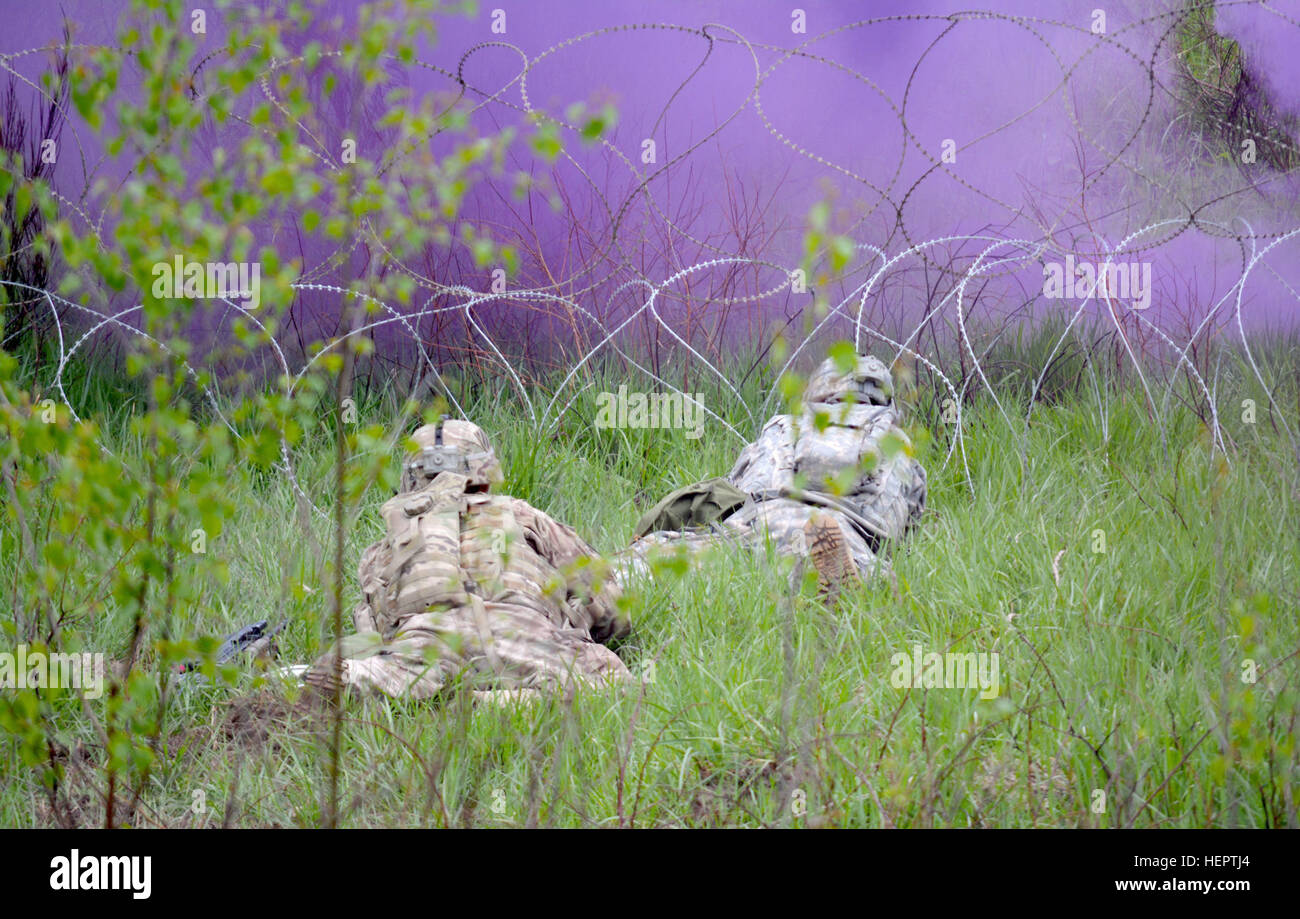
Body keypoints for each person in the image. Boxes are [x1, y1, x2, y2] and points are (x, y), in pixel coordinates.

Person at [304, 419, 632, 702]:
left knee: (404, 666)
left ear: (409, 477)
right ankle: (499, 703)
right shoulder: (520, 515)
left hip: (428, 636)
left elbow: (378, 622)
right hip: (519, 628)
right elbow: (613, 612)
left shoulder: (389, 543)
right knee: (608, 680)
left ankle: (369, 677)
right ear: (484, 468)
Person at [621, 353, 927, 601]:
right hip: (841, 531)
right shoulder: (895, 441)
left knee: (655, 563)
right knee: (874, 581)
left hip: (759, 520)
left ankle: (604, 579)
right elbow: (902, 532)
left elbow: (733, 490)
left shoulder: (784, 424)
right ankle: (835, 583)